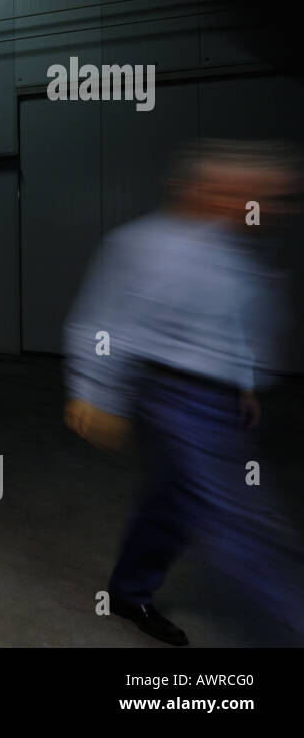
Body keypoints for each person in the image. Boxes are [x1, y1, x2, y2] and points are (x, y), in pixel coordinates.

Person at [63, 140, 303, 646]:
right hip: (170, 393)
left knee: (173, 503)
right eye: (248, 195)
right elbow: (102, 325)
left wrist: (244, 383)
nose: (262, 208)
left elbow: (236, 326)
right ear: (205, 190)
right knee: (238, 521)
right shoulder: (145, 247)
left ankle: (130, 590)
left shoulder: (236, 250)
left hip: (216, 398)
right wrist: (92, 393)